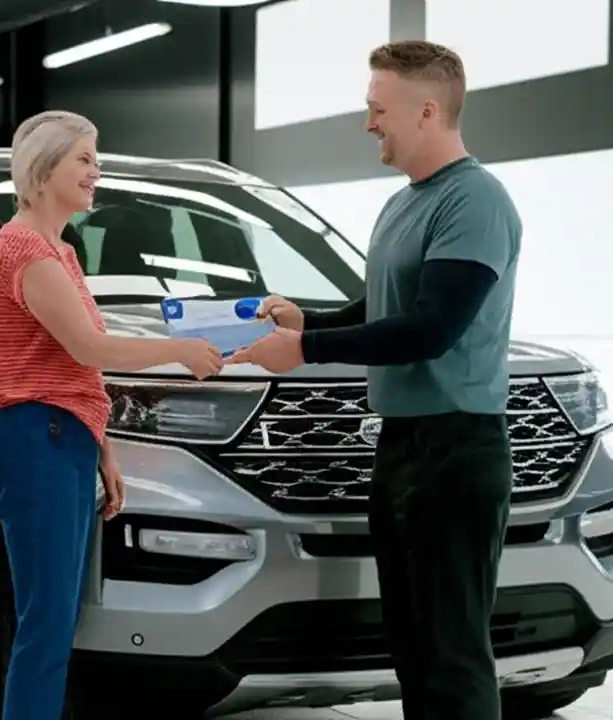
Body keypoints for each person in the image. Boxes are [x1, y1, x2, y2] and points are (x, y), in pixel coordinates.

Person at [229, 41, 523, 720]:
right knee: (413, 648)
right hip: (403, 448)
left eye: (376, 109)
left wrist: (305, 348)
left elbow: (431, 328)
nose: (368, 124)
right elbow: (384, 309)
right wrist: (311, 318)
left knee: (451, 654)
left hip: (458, 451)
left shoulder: (475, 201)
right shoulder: (403, 204)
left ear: (426, 110)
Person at [0, 109, 223, 720]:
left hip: (62, 439)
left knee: (58, 622)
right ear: (43, 169)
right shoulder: (27, 251)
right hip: (37, 441)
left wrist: (102, 446)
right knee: (46, 625)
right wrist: (179, 351)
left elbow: (73, 368)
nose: (96, 172)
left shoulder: (59, 251)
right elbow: (93, 349)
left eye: (96, 159)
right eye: (84, 159)